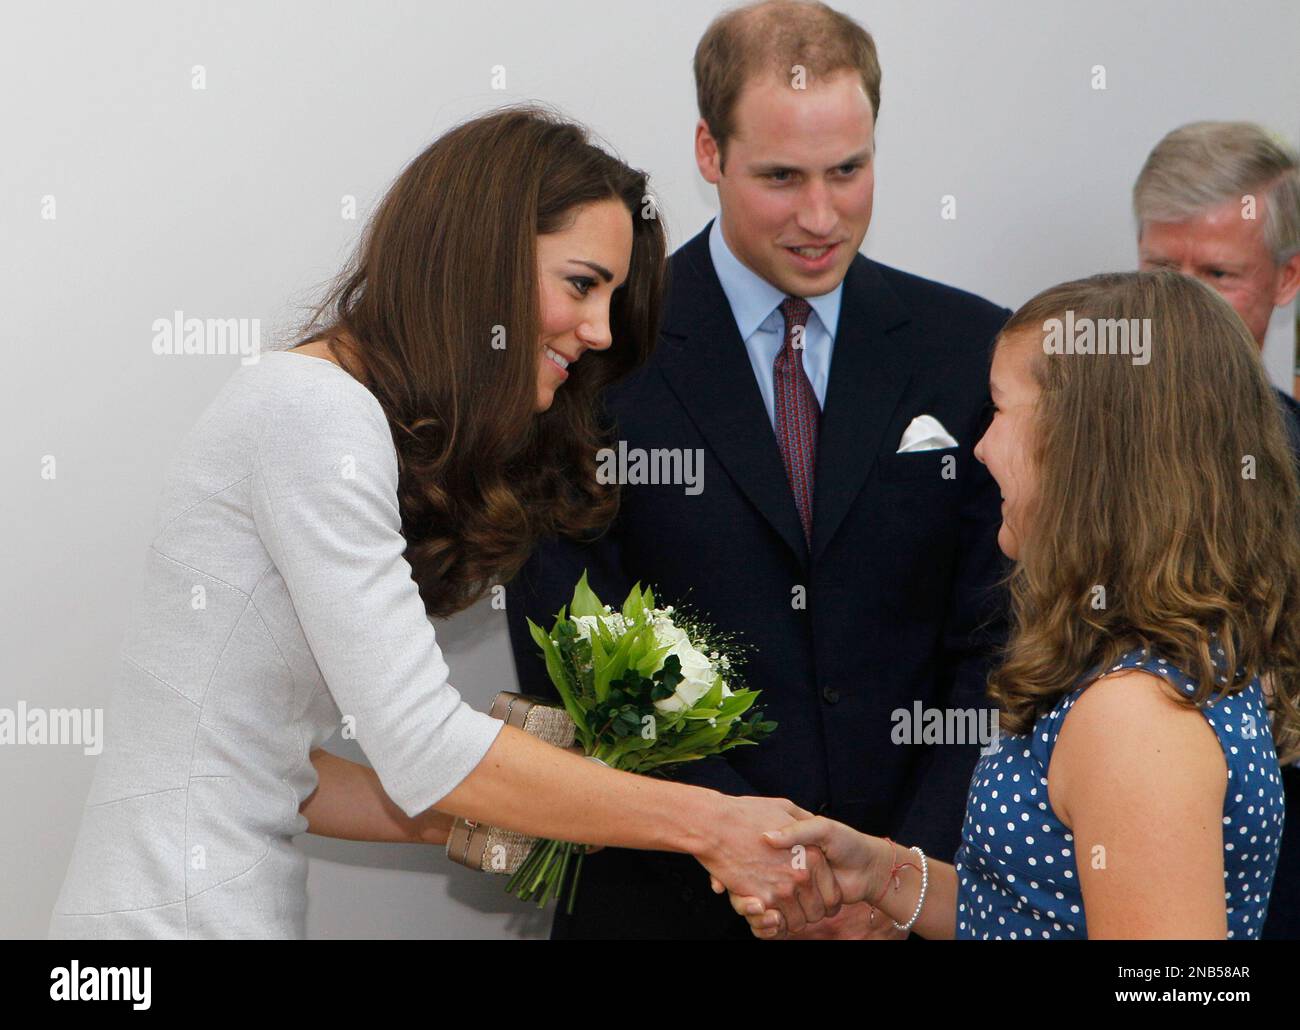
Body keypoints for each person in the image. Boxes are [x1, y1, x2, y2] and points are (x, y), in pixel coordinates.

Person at [46, 105, 841, 939]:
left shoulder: (315, 408)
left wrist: (531, 819)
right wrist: (713, 825)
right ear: (482, 262)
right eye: (581, 284)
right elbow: (424, 746)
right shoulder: (313, 413)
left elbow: (269, 772)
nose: (600, 330)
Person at [506, 0, 1010, 939]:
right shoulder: (596, 347)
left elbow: (1004, 640)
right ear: (710, 153)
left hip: (908, 905)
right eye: (781, 177)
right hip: (663, 903)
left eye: (848, 172)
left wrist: (896, 879)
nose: (821, 217)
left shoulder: (969, 347)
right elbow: (569, 636)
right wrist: (756, 858)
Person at [724, 270, 1300, 939]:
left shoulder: (1134, 719)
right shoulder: (1132, 668)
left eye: (999, 411)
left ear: (1080, 447)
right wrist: (881, 871)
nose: (981, 446)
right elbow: (1027, 911)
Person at [1133, 120, 1300, 938]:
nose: (1185, 303)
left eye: (1219, 274)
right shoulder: (1064, 459)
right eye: (1162, 270)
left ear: (1287, 277)